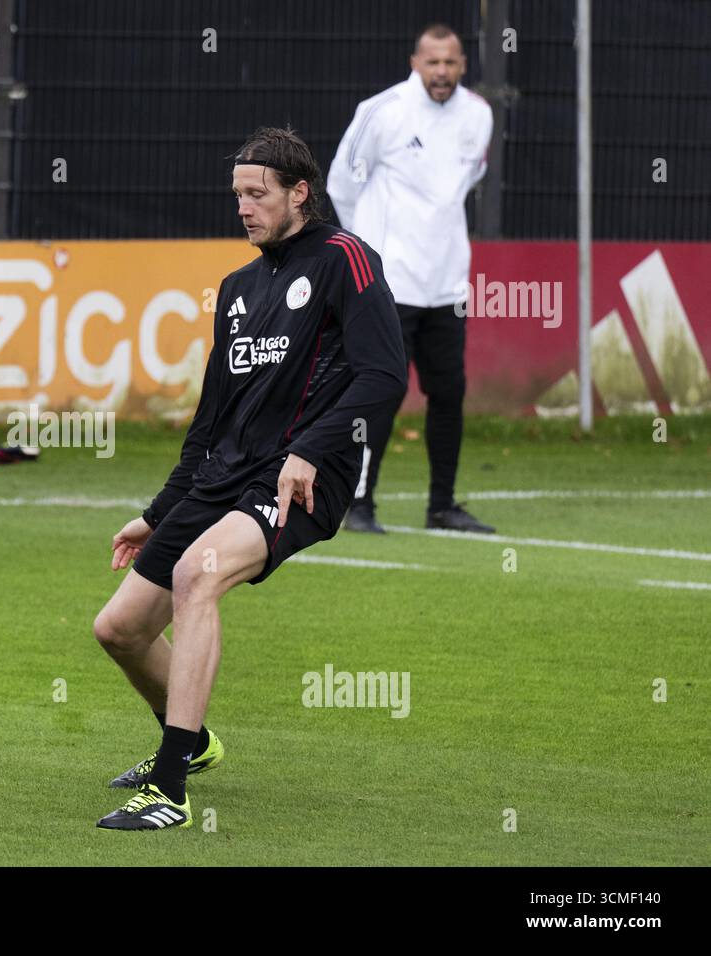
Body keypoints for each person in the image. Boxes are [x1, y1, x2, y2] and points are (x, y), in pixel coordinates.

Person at [92, 127, 407, 830]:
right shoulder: (236, 288)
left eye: (257, 194)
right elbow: (210, 420)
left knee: (198, 577)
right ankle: (195, 743)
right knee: (118, 628)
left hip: (303, 478)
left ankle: (168, 790)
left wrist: (311, 449)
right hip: (224, 477)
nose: (243, 207)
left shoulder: (344, 257)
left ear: (300, 192)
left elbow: (385, 373)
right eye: (237, 194)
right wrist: (160, 510)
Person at [327, 23, 496, 534]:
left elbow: (464, 185)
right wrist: (370, 255)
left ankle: (442, 506)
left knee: (449, 394)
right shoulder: (382, 112)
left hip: (446, 284)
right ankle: (358, 503)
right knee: (380, 393)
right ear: (414, 62)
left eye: (451, 63)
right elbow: (342, 183)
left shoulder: (480, 115)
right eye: (432, 62)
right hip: (390, 285)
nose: (441, 72)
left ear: (463, 65)